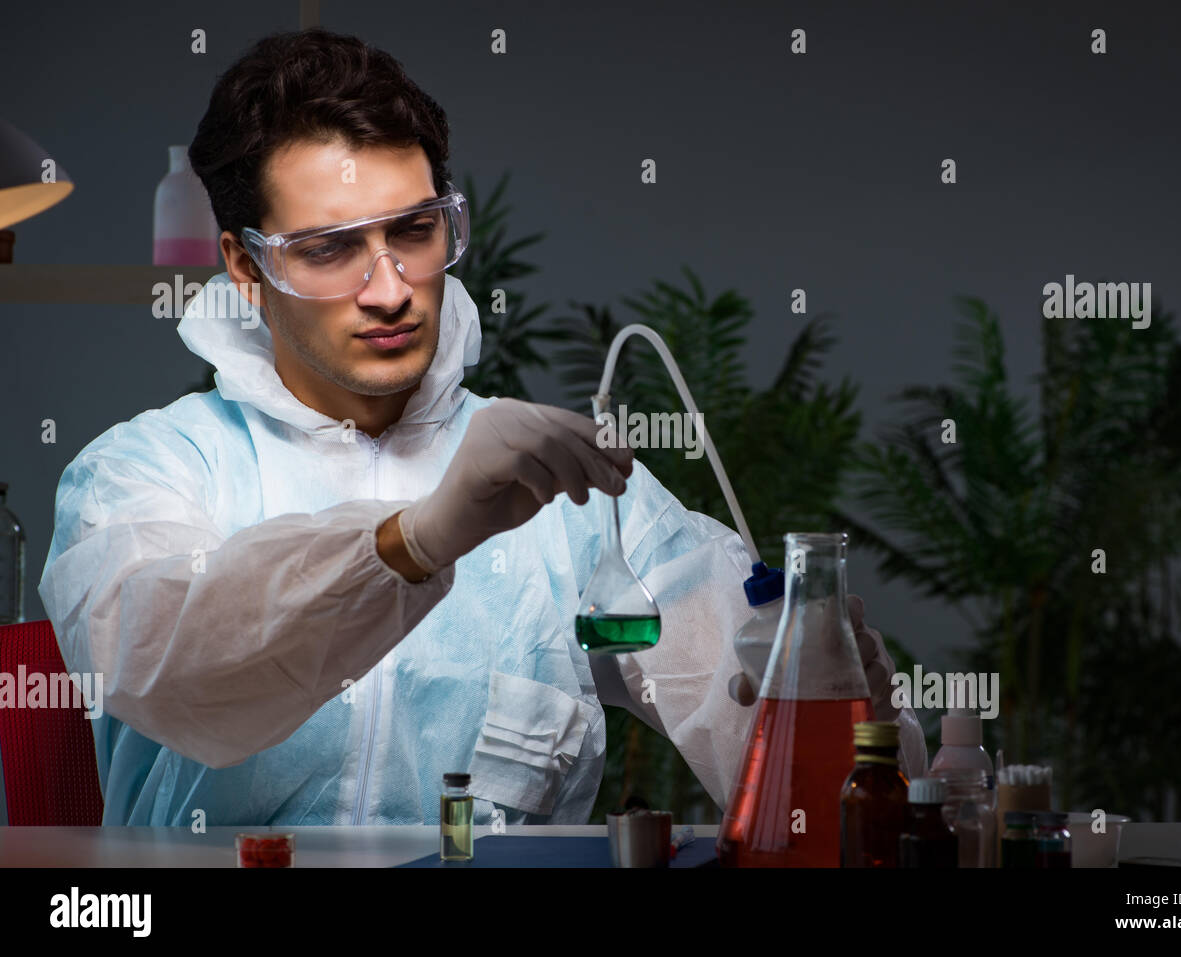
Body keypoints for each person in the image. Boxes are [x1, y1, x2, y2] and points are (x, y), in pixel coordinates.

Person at [38, 28, 926, 826]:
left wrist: (829, 684)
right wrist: (415, 539)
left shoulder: (571, 498)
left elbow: (799, 769)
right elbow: (167, 668)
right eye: (330, 247)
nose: (388, 288)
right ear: (243, 264)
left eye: (415, 231)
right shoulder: (146, 471)